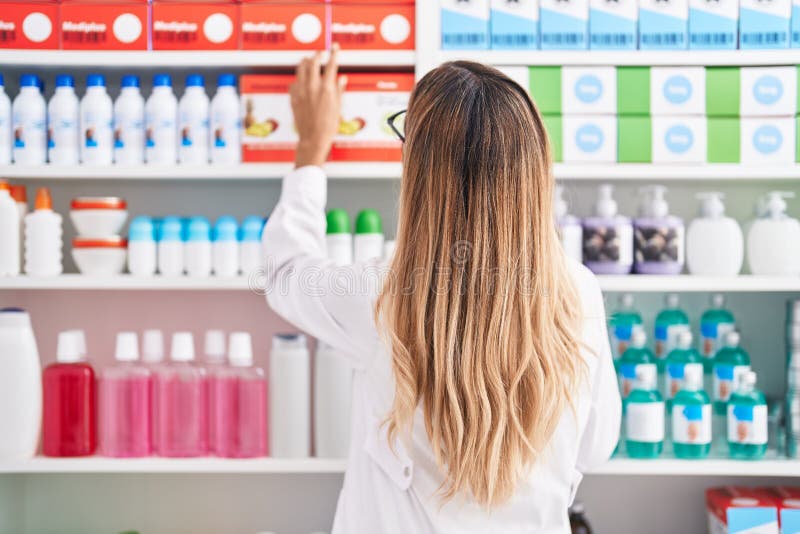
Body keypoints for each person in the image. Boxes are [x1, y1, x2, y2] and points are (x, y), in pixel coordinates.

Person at [262, 46, 621, 533]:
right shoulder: (577, 293)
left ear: (419, 174)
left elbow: (282, 272)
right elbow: (595, 448)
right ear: (534, 172)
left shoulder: (380, 297)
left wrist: (310, 151)